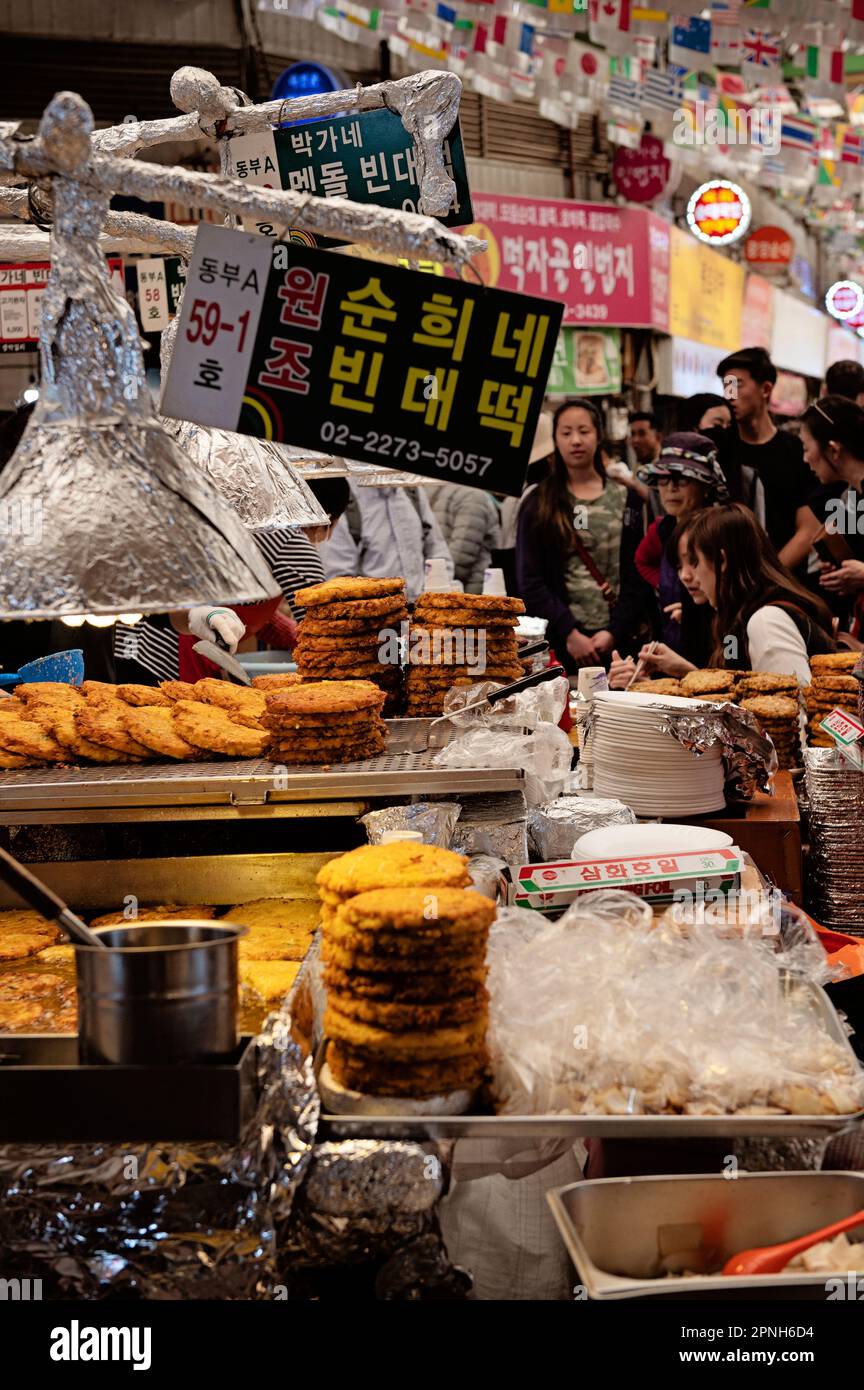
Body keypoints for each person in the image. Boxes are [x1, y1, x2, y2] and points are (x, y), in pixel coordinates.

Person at [113, 476, 351, 684]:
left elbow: (247, 611)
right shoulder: (291, 540)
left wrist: (290, 634)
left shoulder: (257, 525)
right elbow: (323, 632)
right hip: (174, 647)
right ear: (326, 518)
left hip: (140, 641)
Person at [610, 504, 837, 687]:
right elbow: (741, 699)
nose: (688, 576)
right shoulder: (736, 615)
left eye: (695, 562)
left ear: (723, 560)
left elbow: (793, 714)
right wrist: (675, 675)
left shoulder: (766, 621)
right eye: (679, 566)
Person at [516, 399, 646, 671]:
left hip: (619, 644)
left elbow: (637, 573)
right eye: (566, 433)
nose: (576, 440)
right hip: (562, 646)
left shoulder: (627, 499)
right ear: (555, 440)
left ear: (599, 435)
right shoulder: (538, 503)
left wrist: (615, 631)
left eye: (584, 431)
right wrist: (569, 633)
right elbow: (530, 581)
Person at [714, 347, 818, 571]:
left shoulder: (795, 451)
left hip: (785, 583)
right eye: (726, 386)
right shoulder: (720, 449)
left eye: (737, 385)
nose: (729, 395)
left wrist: (768, 579)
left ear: (766, 388)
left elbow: (807, 531)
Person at [631, 432, 727, 653]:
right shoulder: (661, 528)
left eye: (682, 479)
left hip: (717, 644)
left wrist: (697, 603)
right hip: (672, 640)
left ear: (705, 486)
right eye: (664, 479)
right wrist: (666, 587)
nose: (671, 488)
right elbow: (642, 560)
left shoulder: (722, 529)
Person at [318, 481, 453, 601]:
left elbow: (438, 553)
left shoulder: (412, 488)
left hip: (422, 610)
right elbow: (339, 581)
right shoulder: (344, 496)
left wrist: (439, 595)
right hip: (375, 618)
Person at [800, 396, 864, 630]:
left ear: (833, 449)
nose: (805, 459)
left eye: (807, 448)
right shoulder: (850, 496)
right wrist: (842, 573)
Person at [427, 482, 501, 593]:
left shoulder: (438, 492)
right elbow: (463, 554)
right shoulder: (473, 496)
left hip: (449, 584)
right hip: (468, 589)